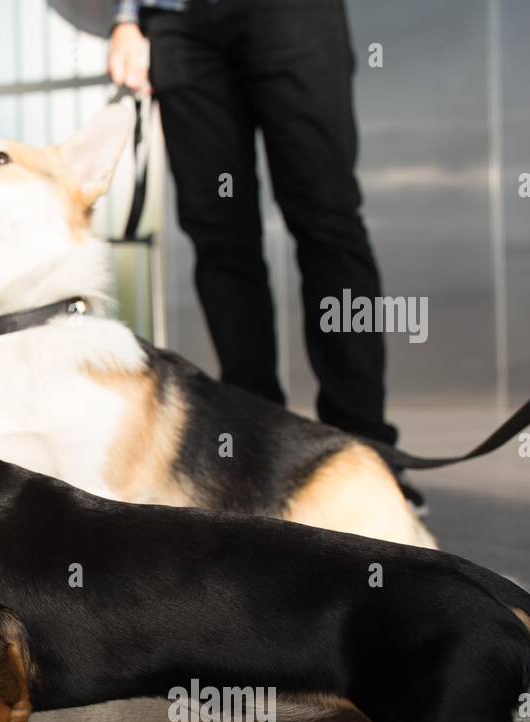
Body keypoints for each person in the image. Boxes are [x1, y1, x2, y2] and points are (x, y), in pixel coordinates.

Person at [108, 0, 406, 468]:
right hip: (178, 21)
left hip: (291, 15)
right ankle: (256, 452)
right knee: (218, 235)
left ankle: (368, 451)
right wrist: (126, 20)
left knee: (328, 220)